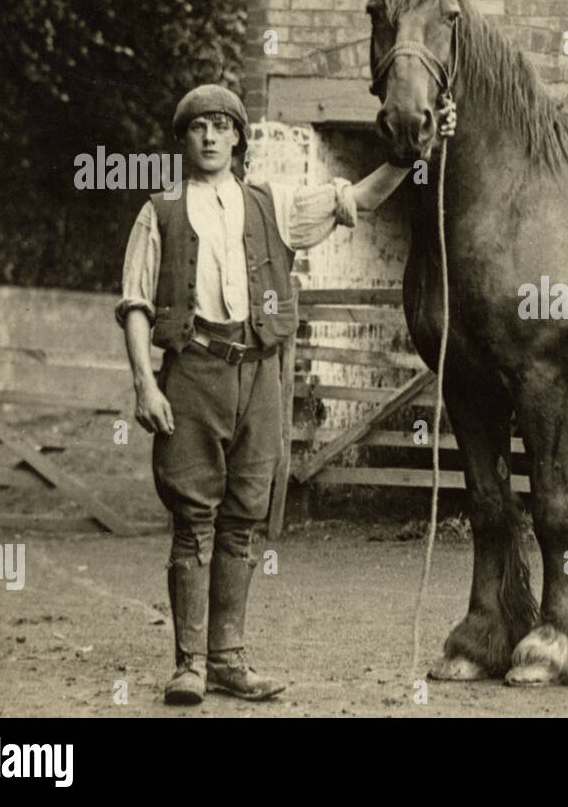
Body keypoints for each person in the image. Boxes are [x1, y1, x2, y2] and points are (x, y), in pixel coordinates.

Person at [116, 83, 453, 705]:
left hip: (259, 374)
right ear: (184, 140)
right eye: (199, 128)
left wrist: (408, 158)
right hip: (191, 373)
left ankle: (228, 661)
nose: (211, 136)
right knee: (193, 520)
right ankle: (188, 664)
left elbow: (358, 199)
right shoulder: (157, 211)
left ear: (239, 138)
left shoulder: (272, 203)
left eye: (222, 126)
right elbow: (136, 304)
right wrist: (144, 383)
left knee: (243, 519)